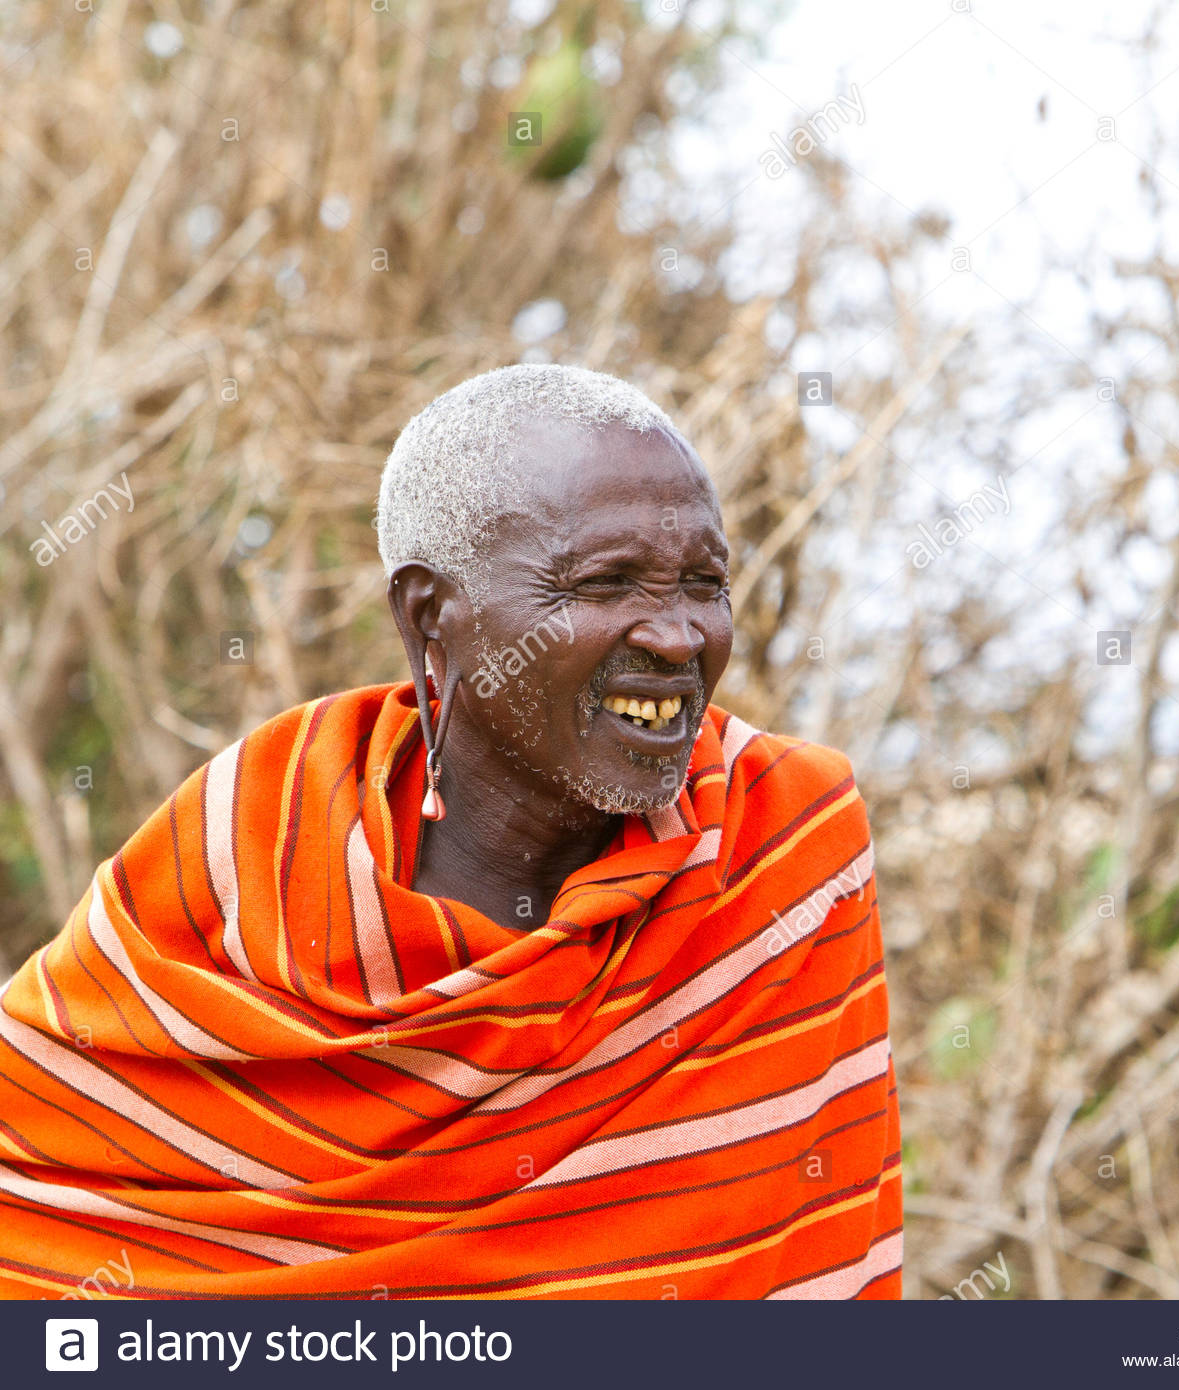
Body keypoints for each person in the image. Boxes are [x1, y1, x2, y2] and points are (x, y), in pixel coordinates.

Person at [0, 364, 901, 1299]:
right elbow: (38, 1176)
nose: (678, 637)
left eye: (704, 582)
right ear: (431, 614)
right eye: (608, 583)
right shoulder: (245, 857)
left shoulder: (783, 845)